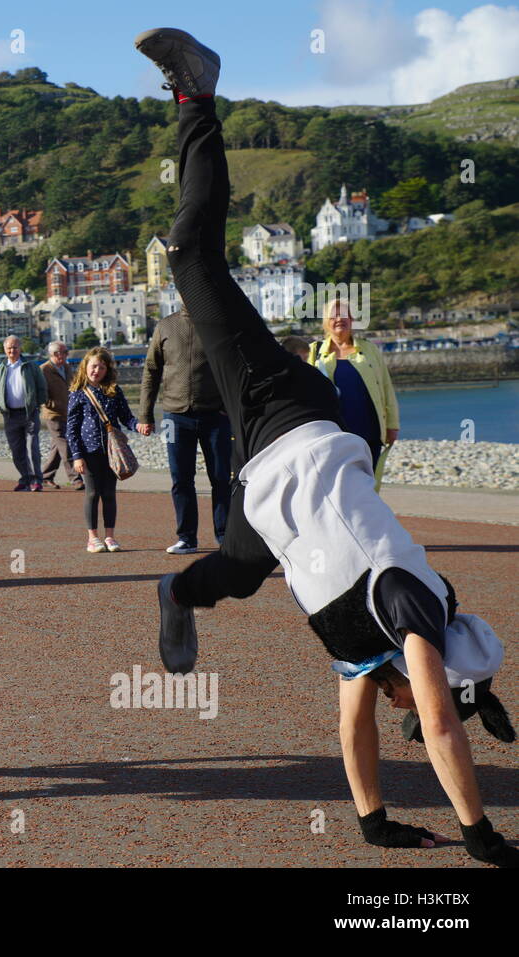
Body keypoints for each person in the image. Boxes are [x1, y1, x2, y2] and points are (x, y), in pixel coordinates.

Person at [137, 26, 518, 868]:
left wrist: (372, 819)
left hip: (269, 496)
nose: (403, 711)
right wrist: (480, 835)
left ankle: (175, 588)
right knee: (190, 256)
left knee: (230, 574)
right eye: (413, 705)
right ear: (431, 672)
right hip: (289, 416)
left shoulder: (368, 655)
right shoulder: (415, 607)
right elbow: (444, 718)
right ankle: (197, 95)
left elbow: (355, 725)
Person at [138, 309, 231, 555]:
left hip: (216, 416)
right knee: (181, 479)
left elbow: (234, 367)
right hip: (174, 416)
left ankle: (225, 536)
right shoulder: (165, 326)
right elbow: (151, 371)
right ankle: (186, 538)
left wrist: (231, 408)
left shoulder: (217, 324)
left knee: (221, 477)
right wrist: (145, 414)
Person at [308, 300, 400, 491]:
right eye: (334, 315)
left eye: (344, 315)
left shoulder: (369, 349)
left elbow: (385, 386)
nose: (339, 319)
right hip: (334, 433)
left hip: (370, 430)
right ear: (326, 322)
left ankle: (366, 520)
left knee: (368, 484)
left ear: (352, 320)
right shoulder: (315, 351)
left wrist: (392, 425)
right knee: (338, 485)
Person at [66, 347, 139, 553]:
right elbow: (71, 428)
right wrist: (77, 456)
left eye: (101, 366)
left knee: (109, 493)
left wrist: (138, 426)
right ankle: (92, 538)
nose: (96, 370)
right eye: (93, 366)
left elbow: (126, 417)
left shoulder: (114, 391)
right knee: (92, 493)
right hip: (88, 451)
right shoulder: (77, 393)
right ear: (85, 367)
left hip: (111, 451)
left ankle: (110, 536)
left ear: (107, 369)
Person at [0, 335, 49, 491]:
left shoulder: (31, 367)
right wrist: (0, 406)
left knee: (32, 449)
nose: (12, 350)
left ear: (20, 348)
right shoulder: (0, 370)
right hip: (10, 416)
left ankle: (36, 480)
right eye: (9, 348)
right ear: (5, 350)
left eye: (15, 347)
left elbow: (42, 388)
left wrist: (37, 405)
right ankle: (25, 478)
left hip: (29, 414)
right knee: (16, 451)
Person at [40, 341, 83, 490]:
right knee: (66, 445)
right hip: (53, 415)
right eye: (65, 352)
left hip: (68, 413)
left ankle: (45, 476)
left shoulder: (66, 367)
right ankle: (75, 478)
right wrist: (51, 404)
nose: (67, 355)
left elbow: (73, 384)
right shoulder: (44, 370)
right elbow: (41, 393)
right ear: (56, 354)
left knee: (57, 448)